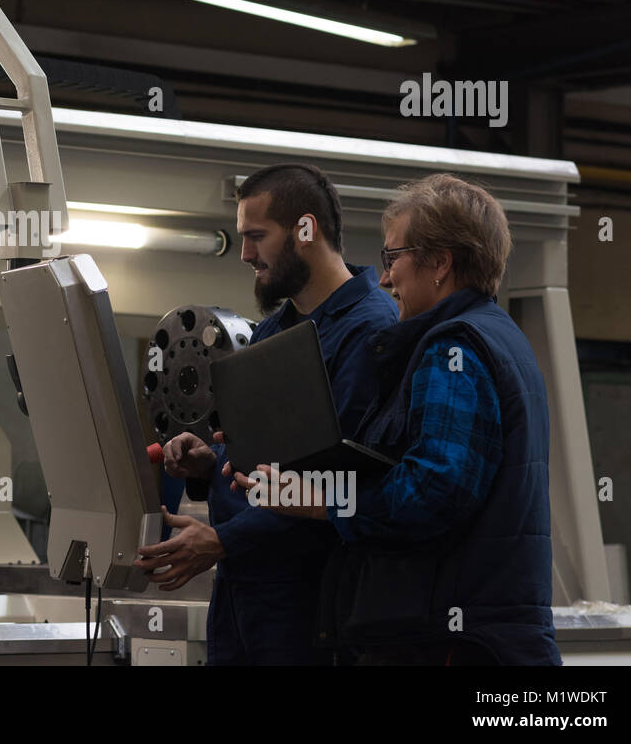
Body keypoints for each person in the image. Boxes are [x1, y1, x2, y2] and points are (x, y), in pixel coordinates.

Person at [229, 173, 561, 665]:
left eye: (393, 258)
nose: (384, 279)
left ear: (440, 264)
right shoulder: (500, 337)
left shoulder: (454, 348)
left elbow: (434, 489)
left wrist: (323, 500)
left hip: (453, 643)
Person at [134, 163, 397, 665]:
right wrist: (211, 461)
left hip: (309, 607)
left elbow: (335, 482)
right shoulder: (273, 331)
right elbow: (262, 458)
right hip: (242, 596)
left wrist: (223, 540)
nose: (246, 254)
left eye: (256, 236)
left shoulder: (369, 333)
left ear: (305, 229)